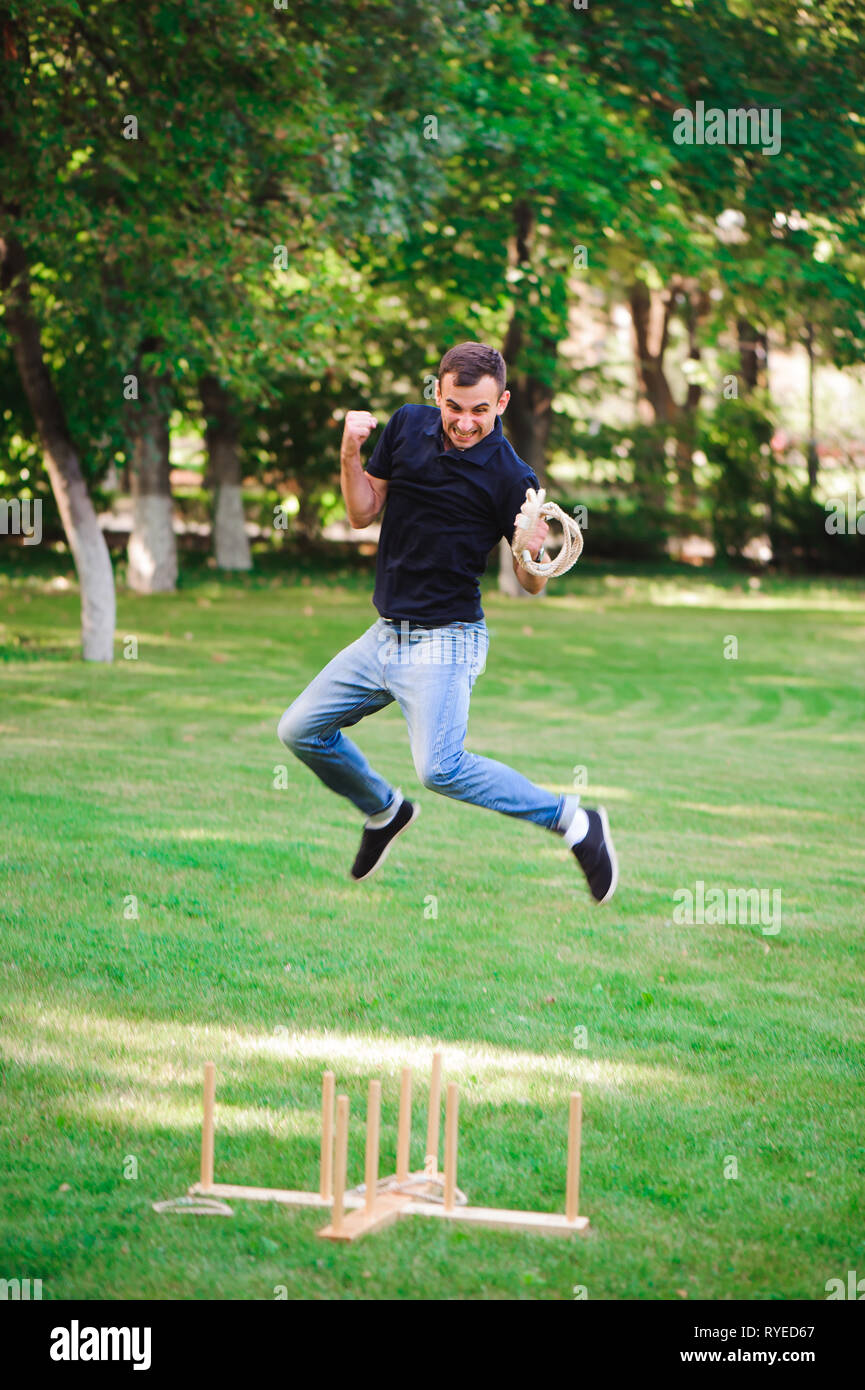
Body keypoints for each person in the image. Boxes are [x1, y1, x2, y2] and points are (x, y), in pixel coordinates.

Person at [278, 342, 617, 903]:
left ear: (501, 402)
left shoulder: (513, 476)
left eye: (480, 410)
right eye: (454, 406)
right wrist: (349, 452)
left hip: (447, 640)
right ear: (438, 392)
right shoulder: (407, 427)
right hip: (384, 635)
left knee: (441, 767)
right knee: (299, 730)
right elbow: (363, 513)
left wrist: (532, 550)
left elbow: (532, 585)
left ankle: (577, 824)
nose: (464, 422)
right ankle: (384, 810)